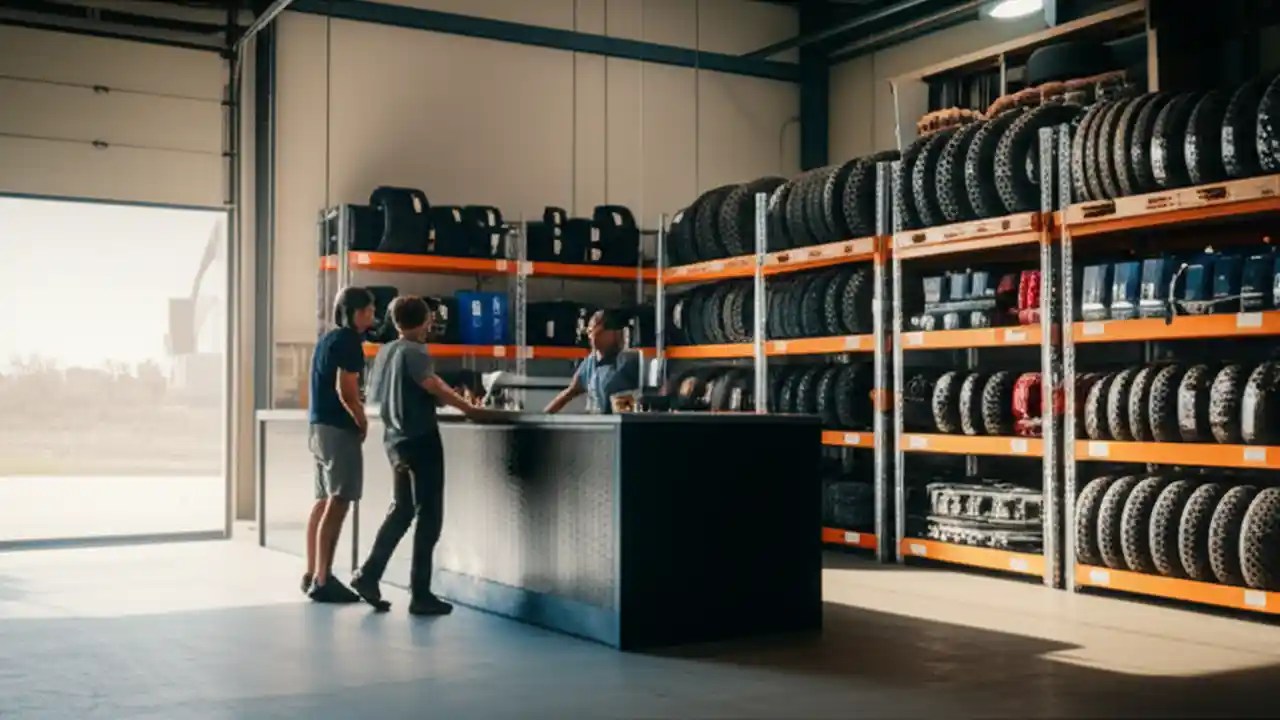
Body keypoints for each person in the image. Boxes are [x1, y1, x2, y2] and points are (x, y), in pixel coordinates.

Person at [349, 295, 494, 615]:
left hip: (394, 441)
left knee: (401, 510)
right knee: (429, 516)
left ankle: (369, 574)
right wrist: (469, 408)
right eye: (430, 319)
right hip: (421, 439)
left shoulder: (387, 351)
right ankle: (420, 593)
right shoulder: (415, 351)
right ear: (425, 320)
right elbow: (433, 385)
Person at [303, 286, 375, 603]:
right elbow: (346, 388)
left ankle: (311, 573)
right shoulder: (349, 341)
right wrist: (361, 418)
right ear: (356, 313)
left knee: (322, 502)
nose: (372, 316)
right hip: (337, 429)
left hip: (318, 427)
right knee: (339, 500)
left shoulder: (327, 340)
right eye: (370, 310)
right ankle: (324, 579)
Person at [544, 309, 642, 414]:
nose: (593, 335)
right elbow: (569, 393)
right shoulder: (589, 365)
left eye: (598, 331)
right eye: (591, 331)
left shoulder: (629, 361)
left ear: (616, 333)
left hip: (625, 424)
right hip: (598, 425)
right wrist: (543, 418)